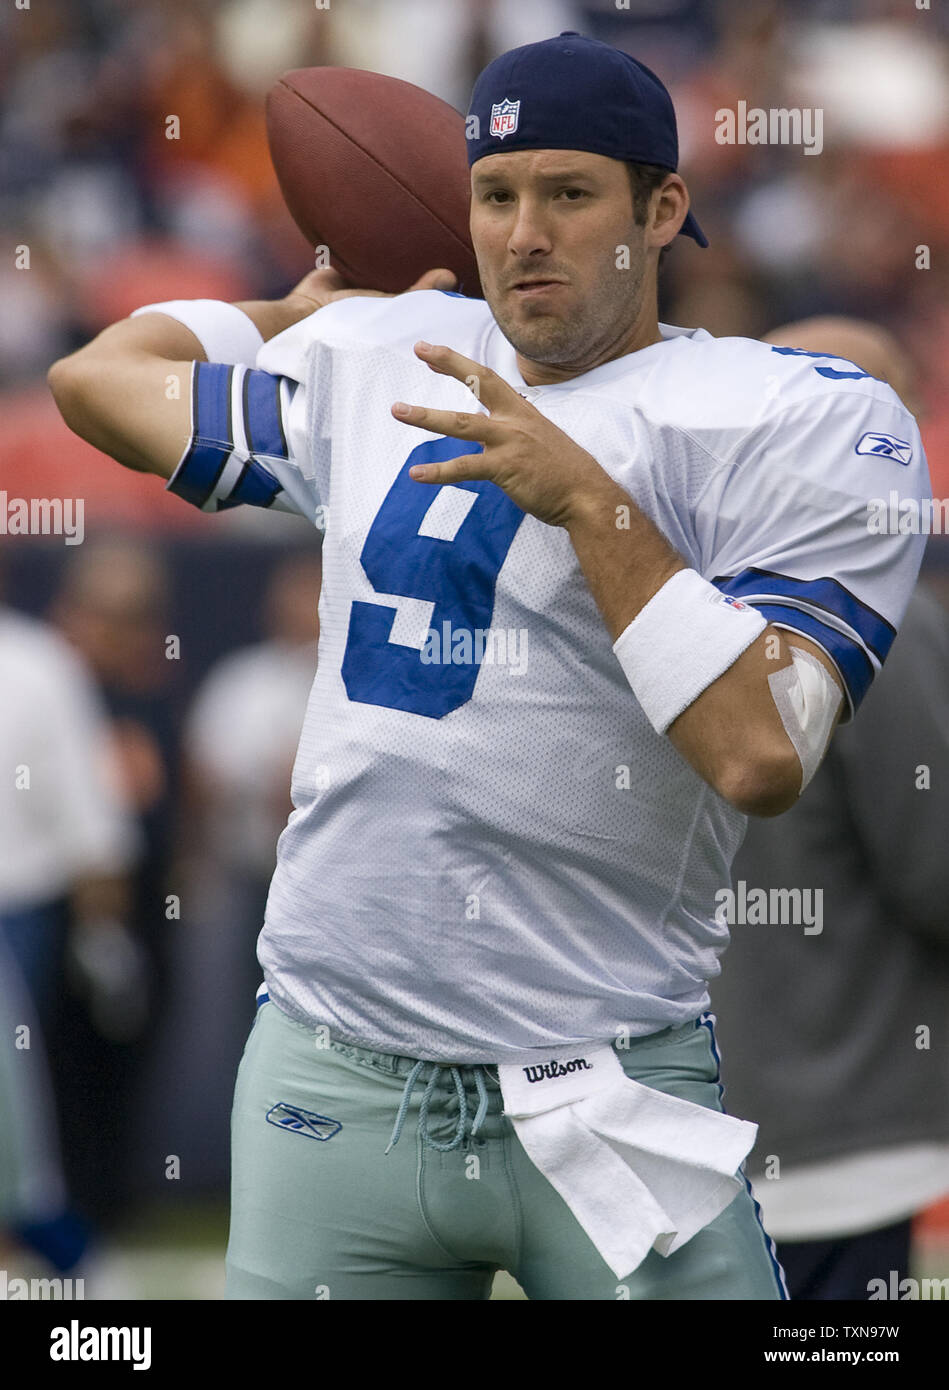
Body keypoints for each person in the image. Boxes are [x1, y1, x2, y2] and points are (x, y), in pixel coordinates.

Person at [47, 33, 928, 1300]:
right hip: (333, 1068)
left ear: (661, 208)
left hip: (602, 1071)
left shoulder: (789, 415)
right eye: (496, 195)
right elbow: (98, 378)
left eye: (569, 195)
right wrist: (278, 317)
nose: (523, 233)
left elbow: (758, 753)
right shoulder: (395, 354)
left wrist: (593, 504)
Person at [709, 317, 949, 1300]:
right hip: (843, 1134)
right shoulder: (884, 614)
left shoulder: (659, 596)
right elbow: (936, 874)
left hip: (678, 1128)